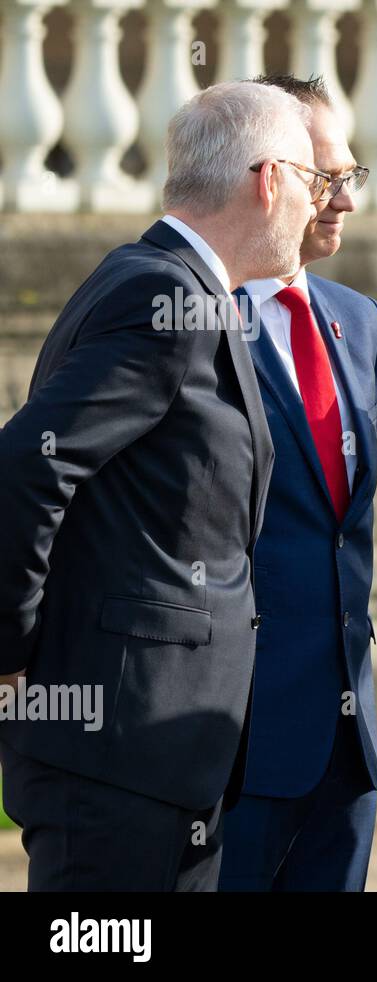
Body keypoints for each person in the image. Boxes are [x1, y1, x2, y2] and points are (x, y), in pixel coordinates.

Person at [0, 81, 317, 890]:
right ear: (269, 179)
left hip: (166, 759)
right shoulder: (164, 292)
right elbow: (29, 463)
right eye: (314, 181)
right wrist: (12, 648)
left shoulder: (191, 290)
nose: (320, 206)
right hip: (116, 756)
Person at [219, 74, 377, 892]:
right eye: (327, 179)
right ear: (268, 177)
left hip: (347, 746)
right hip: (228, 747)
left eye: (351, 176)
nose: (344, 201)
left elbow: (341, 527)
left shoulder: (361, 321)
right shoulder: (183, 317)